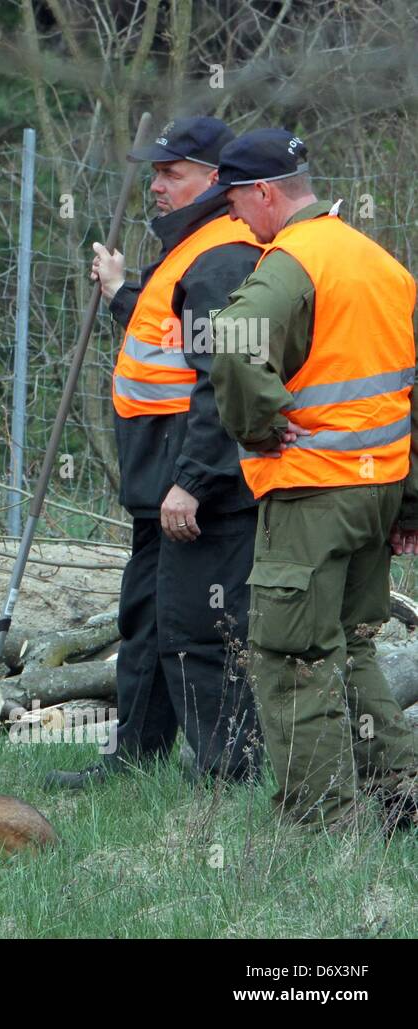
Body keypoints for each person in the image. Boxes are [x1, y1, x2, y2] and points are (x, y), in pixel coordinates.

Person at [207, 129, 418, 832]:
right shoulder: (382, 265)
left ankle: (324, 821)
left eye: (237, 201)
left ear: (266, 193)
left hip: (313, 491)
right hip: (380, 488)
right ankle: (401, 791)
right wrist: (410, 500)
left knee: (293, 655)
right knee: (351, 645)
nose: (236, 218)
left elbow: (232, 345)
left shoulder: (292, 262)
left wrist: (262, 425)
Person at [47, 117, 264, 791]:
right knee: (146, 623)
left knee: (202, 629)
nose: (157, 185)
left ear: (215, 179)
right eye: (155, 173)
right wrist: (119, 294)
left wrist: (193, 481)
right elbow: (170, 334)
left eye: (172, 173)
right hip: (158, 488)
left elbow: (218, 381)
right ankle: (135, 760)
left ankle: (229, 777)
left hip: (199, 493)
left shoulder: (223, 255)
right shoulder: (189, 251)